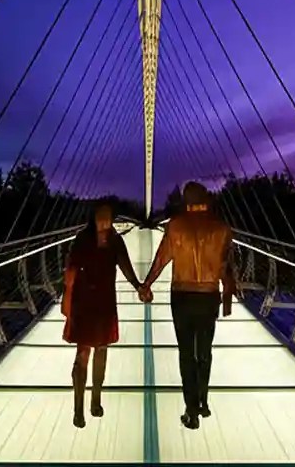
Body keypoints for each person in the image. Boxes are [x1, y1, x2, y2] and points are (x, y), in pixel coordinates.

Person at [139, 182, 238, 430]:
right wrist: (228, 296)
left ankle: (190, 410)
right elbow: (226, 266)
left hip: (182, 296)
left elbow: (161, 259)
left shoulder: (175, 226)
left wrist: (146, 285)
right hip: (209, 295)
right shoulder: (222, 228)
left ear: (186, 201)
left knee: (186, 353)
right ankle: (203, 401)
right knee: (204, 351)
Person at [62, 202, 143, 428]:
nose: (105, 222)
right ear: (94, 218)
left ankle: (96, 399)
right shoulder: (83, 239)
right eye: (101, 217)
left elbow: (125, 266)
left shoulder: (115, 240)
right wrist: (67, 298)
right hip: (83, 301)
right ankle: (78, 409)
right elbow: (71, 269)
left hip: (105, 302)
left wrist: (138, 286)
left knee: (102, 350)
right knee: (82, 354)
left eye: (108, 218)